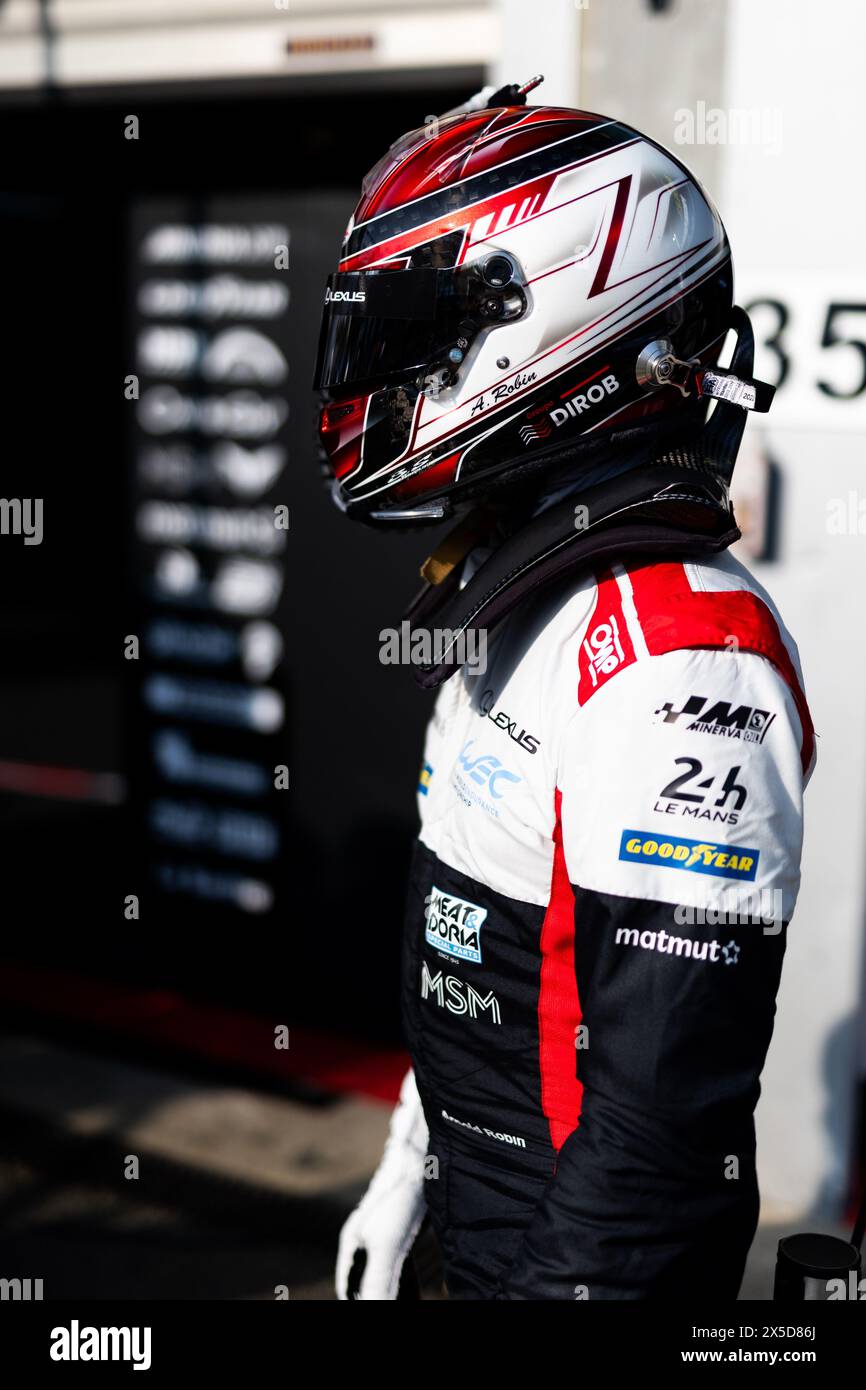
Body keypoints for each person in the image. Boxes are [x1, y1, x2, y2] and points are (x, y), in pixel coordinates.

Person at [315, 81, 815, 1301]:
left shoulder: (677, 651)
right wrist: (408, 1167)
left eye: (412, 329)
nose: (380, 369)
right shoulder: (523, 589)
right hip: (488, 1237)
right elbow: (489, 967)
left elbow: (655, 1139)